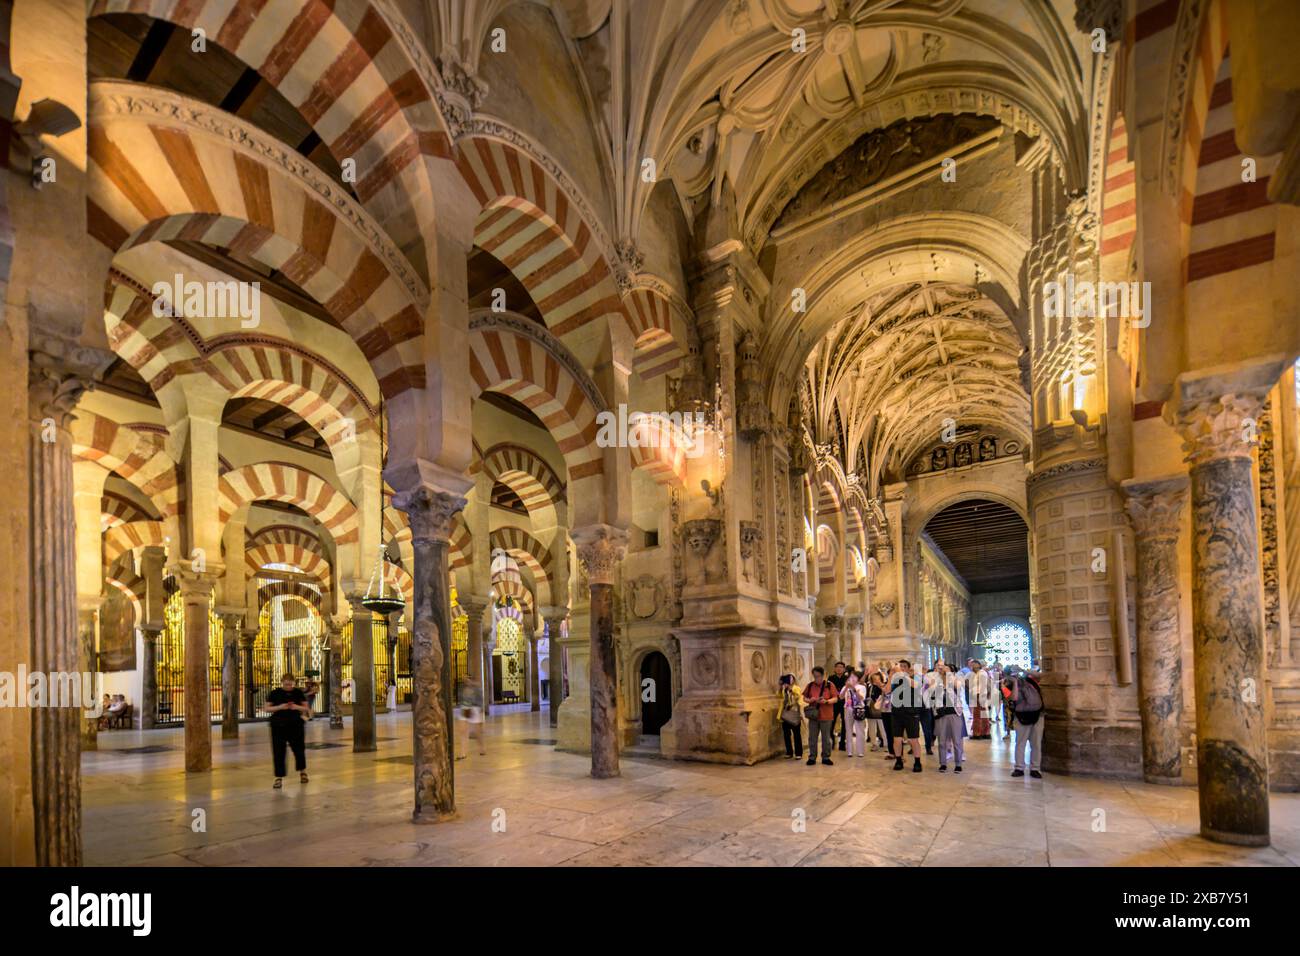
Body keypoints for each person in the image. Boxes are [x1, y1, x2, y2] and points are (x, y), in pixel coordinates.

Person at [265, 674, 310, 788]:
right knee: (278, 751)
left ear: (293, 683)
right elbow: (267, 708)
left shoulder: (298, 693)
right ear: (282, 682)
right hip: (278, 726)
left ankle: (302, 772)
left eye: (290, 684)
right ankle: (278, 777)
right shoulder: (275, 693)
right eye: (286, 684)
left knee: (299, 749)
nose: (288, 686)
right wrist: (280, 707)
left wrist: (295, 707)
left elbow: (306, 708)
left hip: (295, 725)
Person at [1008, 669, 1045, 778]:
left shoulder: (1030, 680)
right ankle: (1019, 767)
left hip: (1037, 715)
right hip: (1021, 716)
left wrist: (1023, 670)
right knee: (1020, 743)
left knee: (1036, 743)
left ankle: (1035, 768)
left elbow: (1040, 675)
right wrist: (1014, 682)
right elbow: (1014, 698)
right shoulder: (1009, 684)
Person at [930, 661, 966, 772]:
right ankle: (943, 763)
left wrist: (949, 674)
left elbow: (959, 687)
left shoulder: (955, 679)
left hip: (955, 713)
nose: (942, 670)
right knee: (942, 741)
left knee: (957, 740)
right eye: (940, 668)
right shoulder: (936, 681)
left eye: (944, 668)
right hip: (941, 714)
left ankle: (958, 764)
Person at [889, 660, 924, 772]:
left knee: (913, 739)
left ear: (909, 669)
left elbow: (916, 685)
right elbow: (886, 690)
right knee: (897, 739)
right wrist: (890, 675)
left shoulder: (915, 678)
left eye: (904, 666)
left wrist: (901, 674)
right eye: (900, 666)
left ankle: (917, 762)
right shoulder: (895, 679)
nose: (901, 668)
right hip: (897, 713)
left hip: (911, 713)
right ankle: (898, 760)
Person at [802, 666, 838, 766]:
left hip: (826, 715)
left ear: (823, 675)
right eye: (814, 676)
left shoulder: (830, 685)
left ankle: (826, 757)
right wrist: (811, 700)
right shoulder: (810, 685)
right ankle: (812, 757)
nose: (816, 678)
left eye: (818, 676)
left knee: (826, 738)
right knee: (812, 737)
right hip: (814, 716)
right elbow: (804, 698)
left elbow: (835, 698)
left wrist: (826, 701)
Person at [840, 672, 868, 757]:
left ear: (858, 678)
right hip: (848, 709)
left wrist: (854, 689)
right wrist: (846, 688)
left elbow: (862, 698)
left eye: (854, 677)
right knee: (848, 730)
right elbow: (840, 697)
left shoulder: (862, 687)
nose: (851, 678)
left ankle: (860, 751)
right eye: (850, 677)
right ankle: (849, 751)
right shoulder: (845, 687)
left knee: (860, 731)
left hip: (859, 709)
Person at [779, 673, 803, 759]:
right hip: (785, 714)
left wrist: (791, 690)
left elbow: (798, 697)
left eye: (791, 679)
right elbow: (779, 696)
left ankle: (798, 753)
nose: (789, 681)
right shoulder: (783, 689)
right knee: (786, 734)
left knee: (796, 734)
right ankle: (789, 752)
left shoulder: (796, 688)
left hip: (794, 712)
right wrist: (782, 688)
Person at [828, 661, 850, 751]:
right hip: (834, 702)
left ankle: (842, 743)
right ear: (834, 668)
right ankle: (832, 740)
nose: (839, 668)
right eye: (837, 667)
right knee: (831, 722)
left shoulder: (847, 678)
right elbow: (828, 690)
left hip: (845, 703)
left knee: (845, 723)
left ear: (844, 669)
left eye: (841, 667)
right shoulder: (831, 678)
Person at [968, 660, 993, 738]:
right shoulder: (975, 674)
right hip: (978, 695)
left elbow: (987, 685)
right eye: (972, 665)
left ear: (979, 665)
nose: (972, 667)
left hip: (980, 695)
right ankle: (985, 733)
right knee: (983, 714)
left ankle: (977, 733)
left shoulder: (982, 673)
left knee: (977, 715)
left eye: (974, 665)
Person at [865, 671, 889, 751]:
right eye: (873, 678)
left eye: (877, 678)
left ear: (881, 678)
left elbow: (886, 695)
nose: (875, 680)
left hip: (881, 709)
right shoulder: (869, 686)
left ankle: (887, 745)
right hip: (871, 709)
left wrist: (880, 686)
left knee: (883, 728)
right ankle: (874, 744)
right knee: (871, 728)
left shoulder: (885, 685)